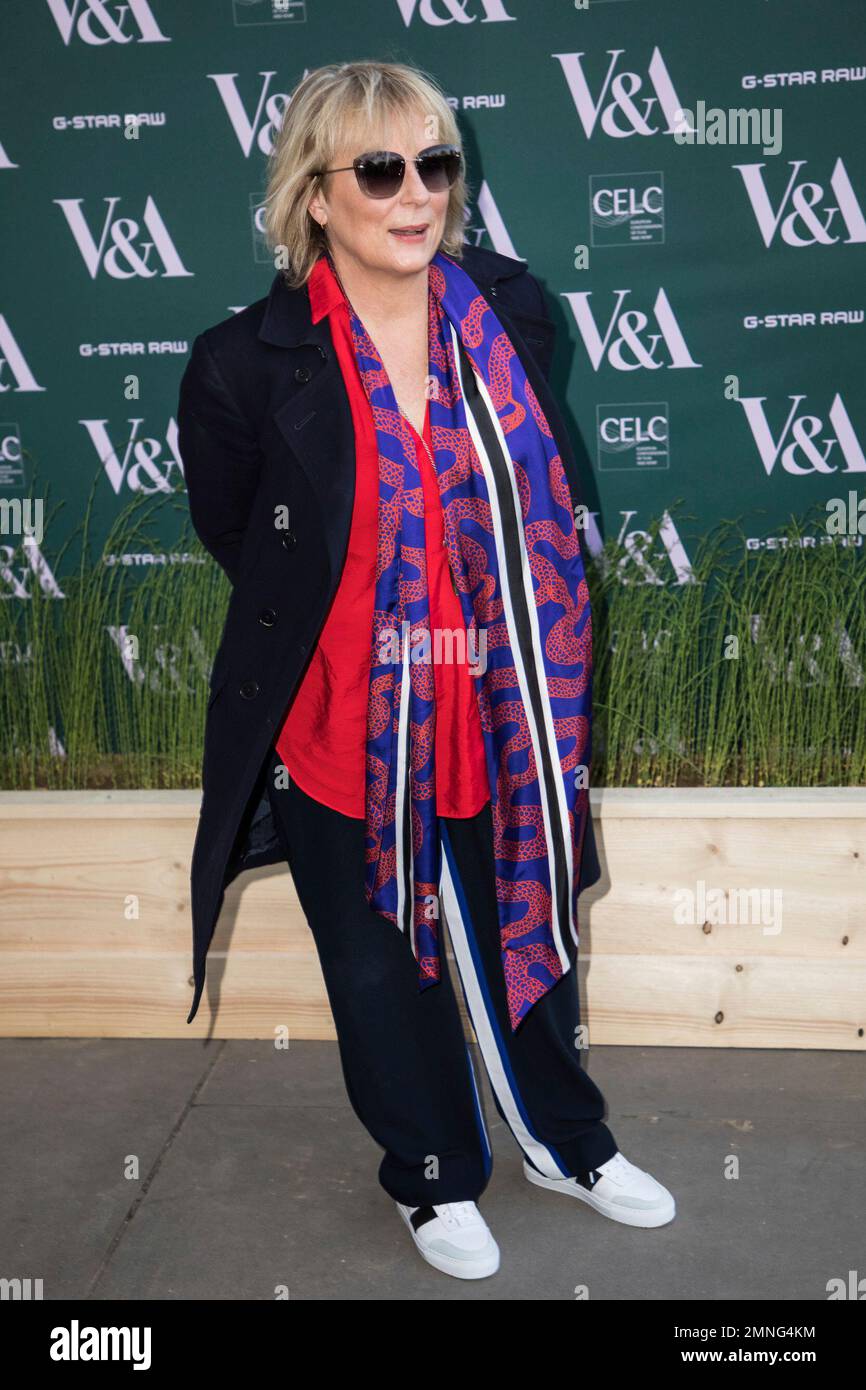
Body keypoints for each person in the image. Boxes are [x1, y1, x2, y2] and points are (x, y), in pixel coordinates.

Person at [178, 59, 675, 1283]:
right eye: (381, 170)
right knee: (379, 966)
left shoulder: (509, 310)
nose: (417, 196)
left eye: (435, 165)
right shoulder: (242, 363)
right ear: (314, 196)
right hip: (346, 717)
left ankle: (566, 1142)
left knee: (526, 927)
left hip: (503, 705)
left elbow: (539, 507)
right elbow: (239, 532)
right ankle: (433, 1174)